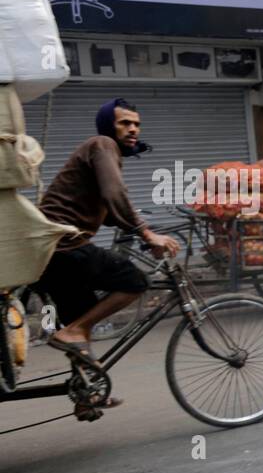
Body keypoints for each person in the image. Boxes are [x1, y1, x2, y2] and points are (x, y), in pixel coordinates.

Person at [35, 98, 180, 397]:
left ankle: (86, 395)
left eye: (136, 124)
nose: (132, 129)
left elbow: (113, 211)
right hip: (65, 246)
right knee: (134, 281)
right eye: (124, 123)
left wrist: (143, 233)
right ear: (108, 126)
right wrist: (147, 234)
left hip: (51, 254)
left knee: (80, 326)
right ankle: (74, 337)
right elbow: (115, 193)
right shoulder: (102, 144)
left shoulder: (104, 152)